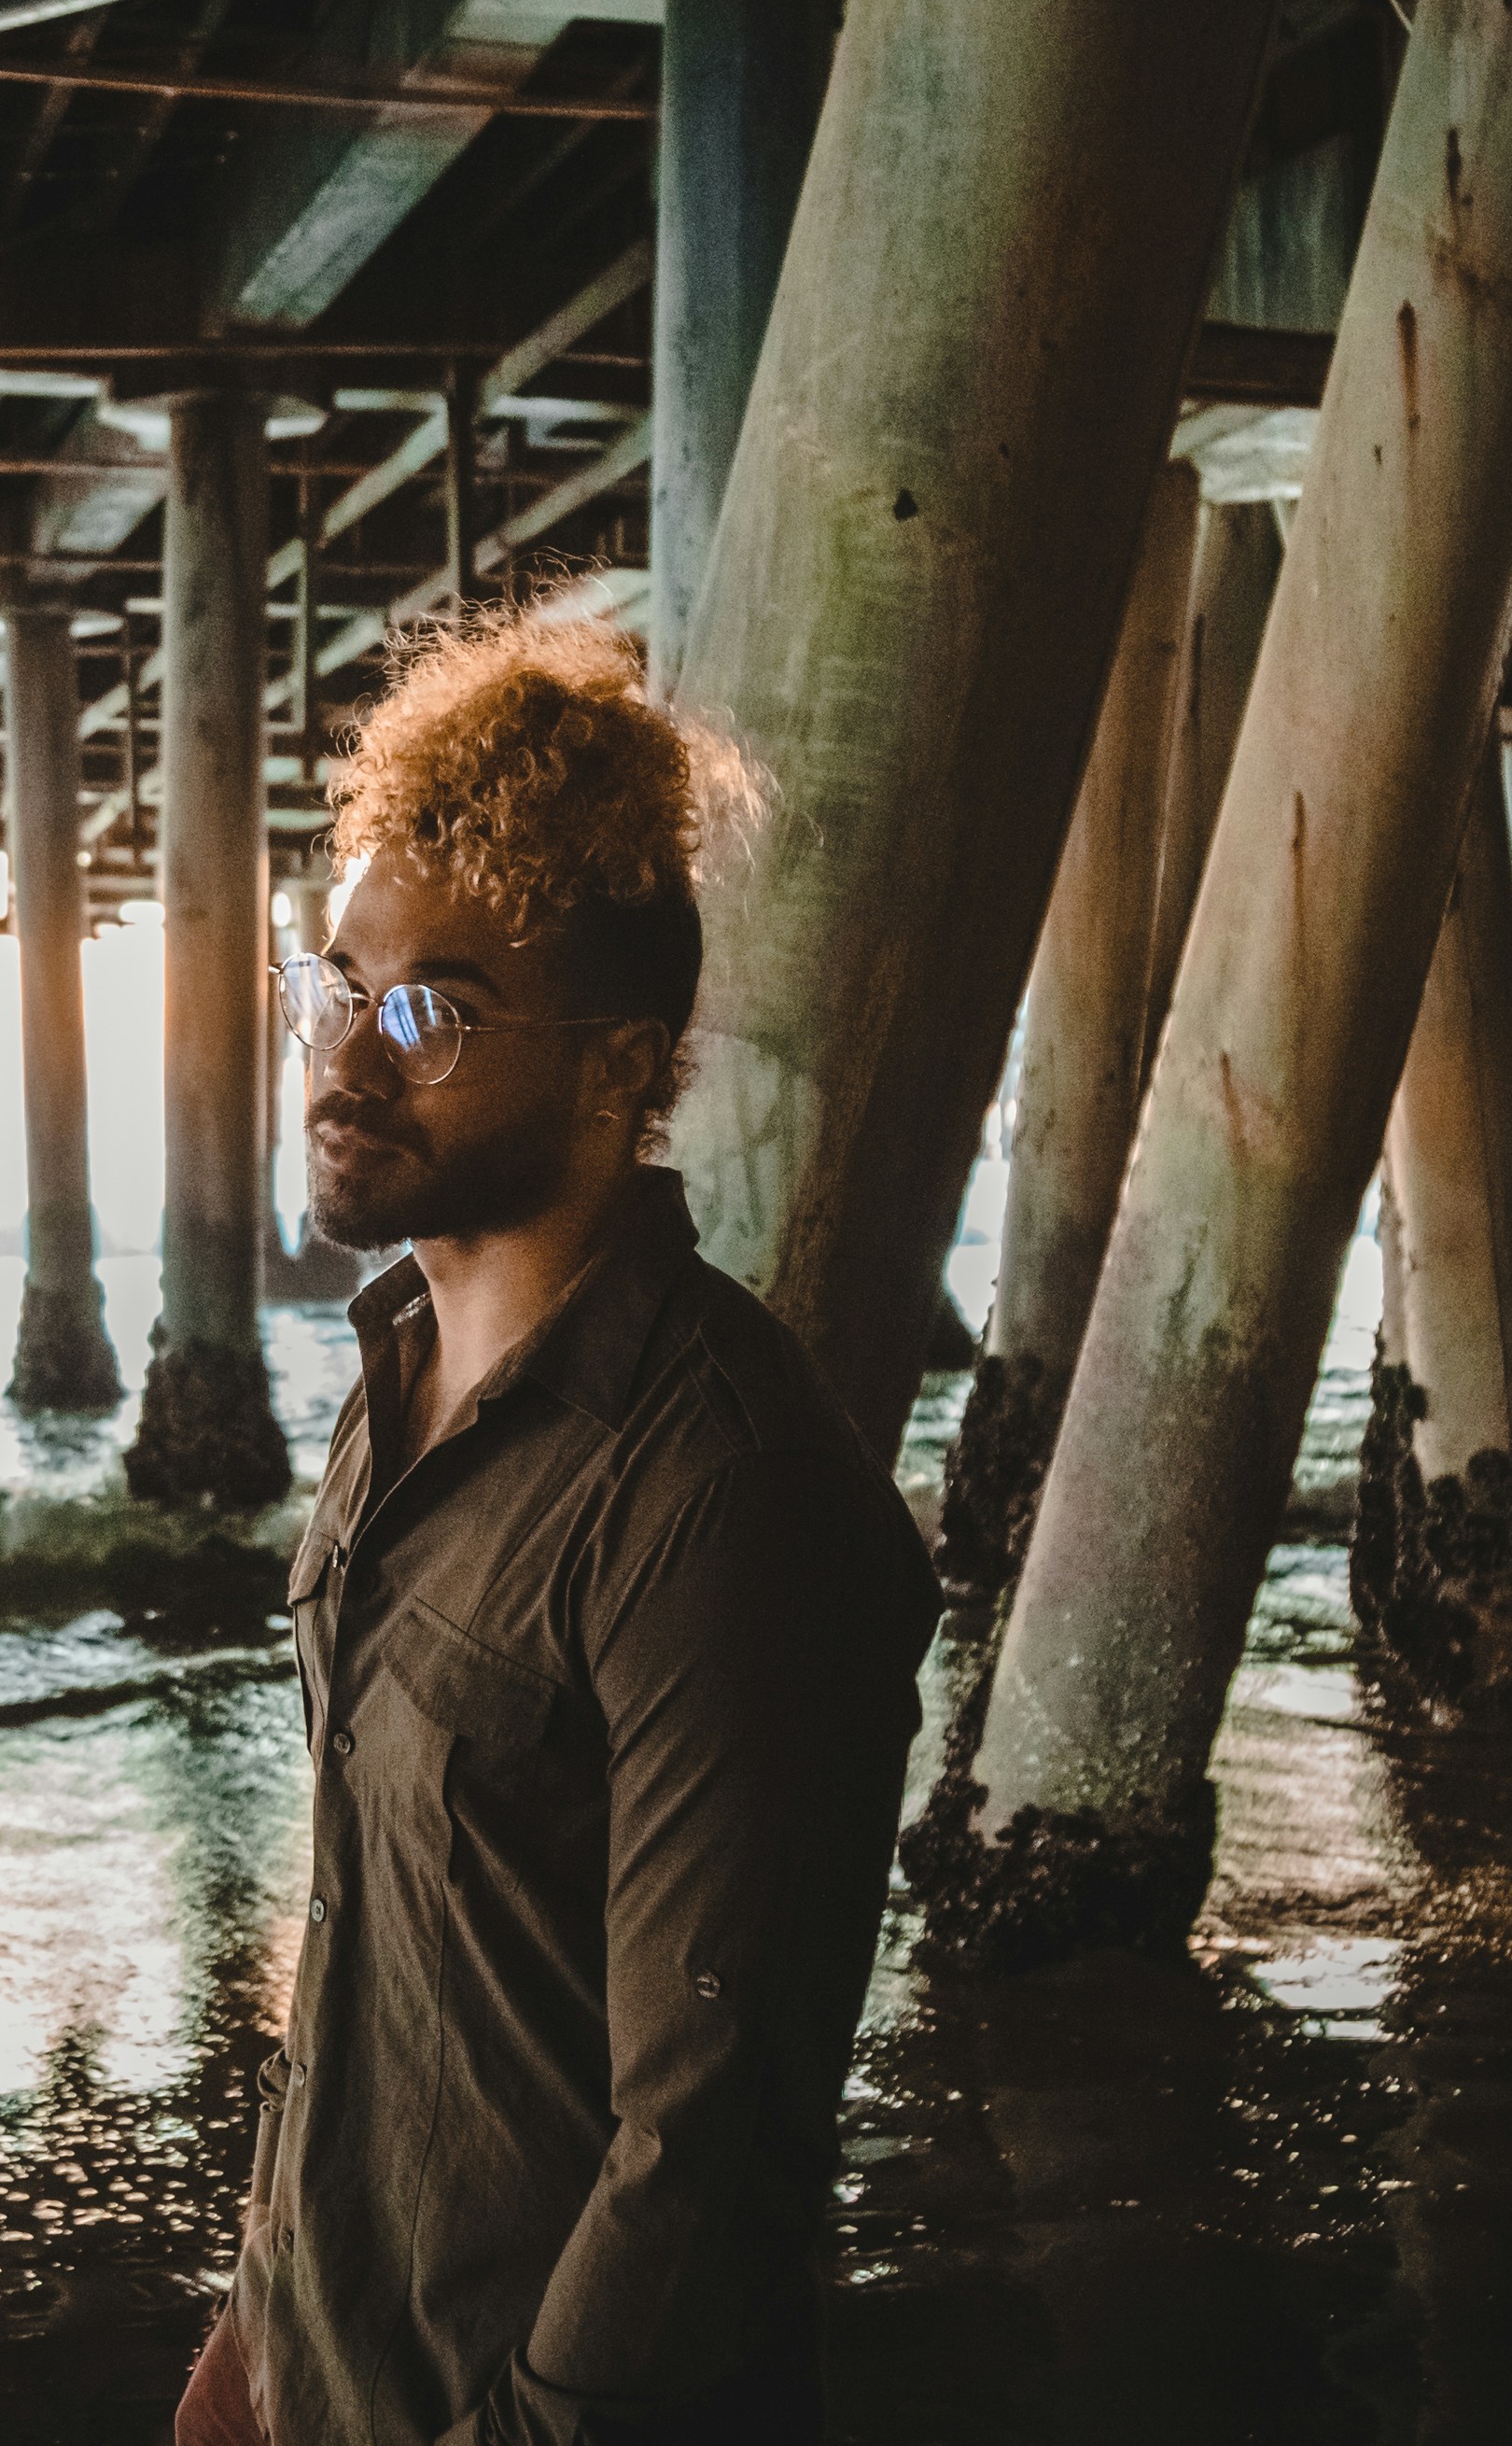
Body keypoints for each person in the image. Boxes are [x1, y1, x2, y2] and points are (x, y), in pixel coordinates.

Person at [178, 609, 938, 2446]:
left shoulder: (722, 1494)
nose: (346, 1062)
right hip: (332, 2370)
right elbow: (378, 1933)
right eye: (334, 987)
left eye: (431, 1010)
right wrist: (263, 2318)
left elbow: (707, 2141)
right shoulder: (398, 1376)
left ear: (622, 1063)